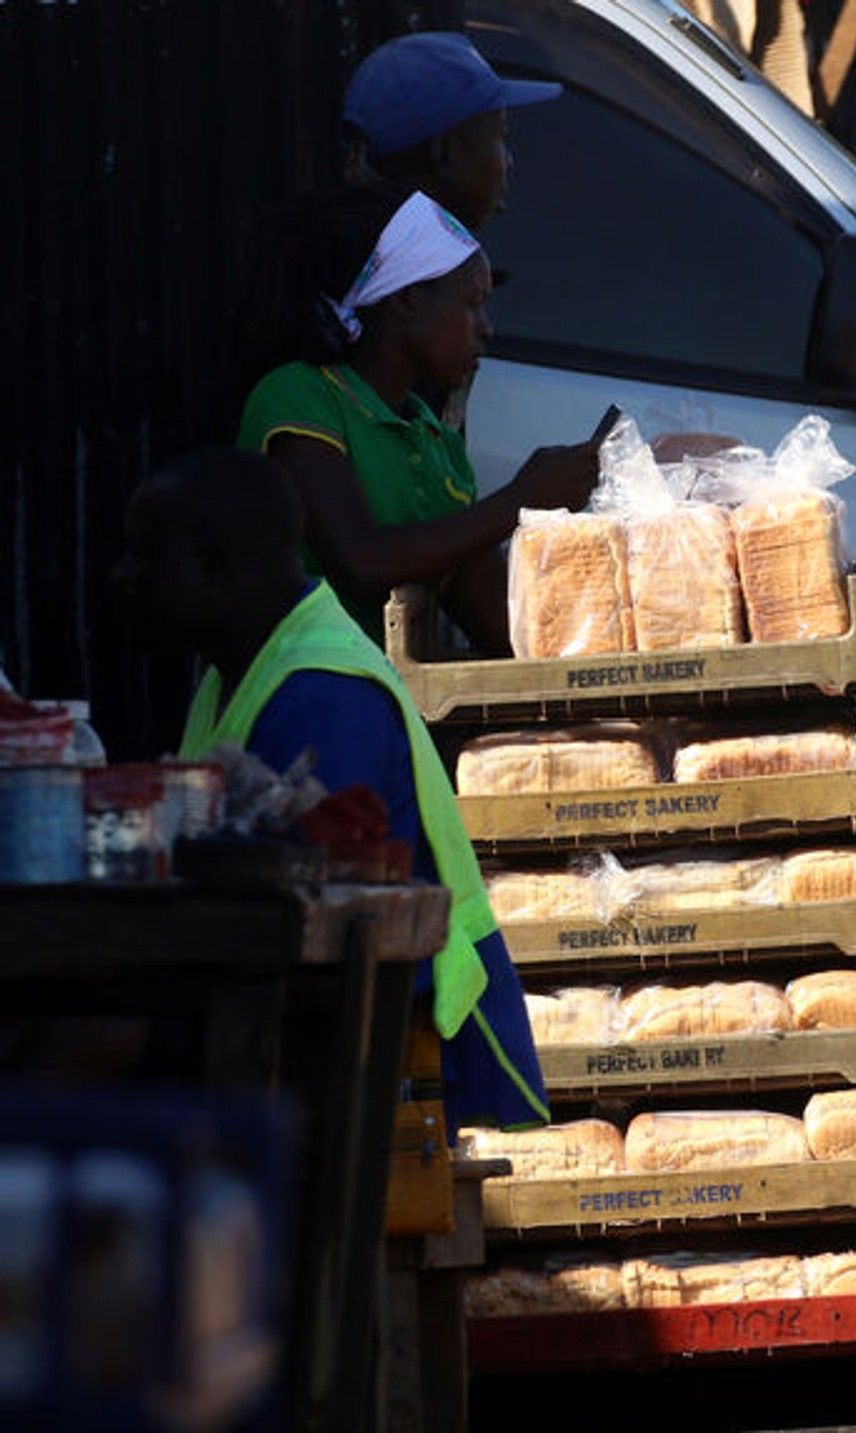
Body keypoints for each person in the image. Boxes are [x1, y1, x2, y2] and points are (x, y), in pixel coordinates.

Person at [112, 447, 549, 1133]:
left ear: (217, 567)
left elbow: (301, 954)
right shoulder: (237, 673)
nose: (124, 577)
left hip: (425, 1066)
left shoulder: (320, 695)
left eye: (144, 555)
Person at [233, 187, 597, 654]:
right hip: (301, 696)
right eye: (472, 303)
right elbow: (362, 560)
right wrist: (522, 500)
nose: (486, 327)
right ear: (406, 301)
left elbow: (499, 628)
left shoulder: (436, 440)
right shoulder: (300, 397)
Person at [340, 30, 560, 233]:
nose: (508, 159)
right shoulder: (445, 266)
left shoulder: (344, 242)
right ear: (445, 152)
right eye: (500, 137)